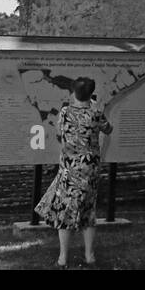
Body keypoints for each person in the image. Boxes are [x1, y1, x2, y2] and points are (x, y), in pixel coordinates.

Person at [34, 77, 113, 268]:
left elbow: (60, 134)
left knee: (65, 211)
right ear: (90, 93)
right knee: (88, 210)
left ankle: (62, 258)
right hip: (90, 168)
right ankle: (89, 255)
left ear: (74, 93)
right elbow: (108, 130)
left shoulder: (65, 112)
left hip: (69, 167)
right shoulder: (96, 112)